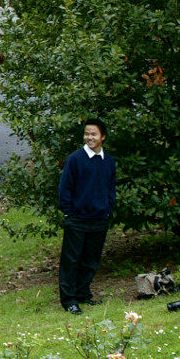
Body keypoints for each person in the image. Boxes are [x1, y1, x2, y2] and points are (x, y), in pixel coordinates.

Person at [57, 118, 116, 314]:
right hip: (77, 219)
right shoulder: (75, 159)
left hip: (99, 219)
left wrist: (107, 209)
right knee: (71, 260)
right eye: (87, 134)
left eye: (94, 134)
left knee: (91, 259)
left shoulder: (108, 162)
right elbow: (65, 187)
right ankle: (69, 299)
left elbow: (110, 188)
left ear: (103, 137)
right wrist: (69, 211)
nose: (89, 137)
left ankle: (83, 293)